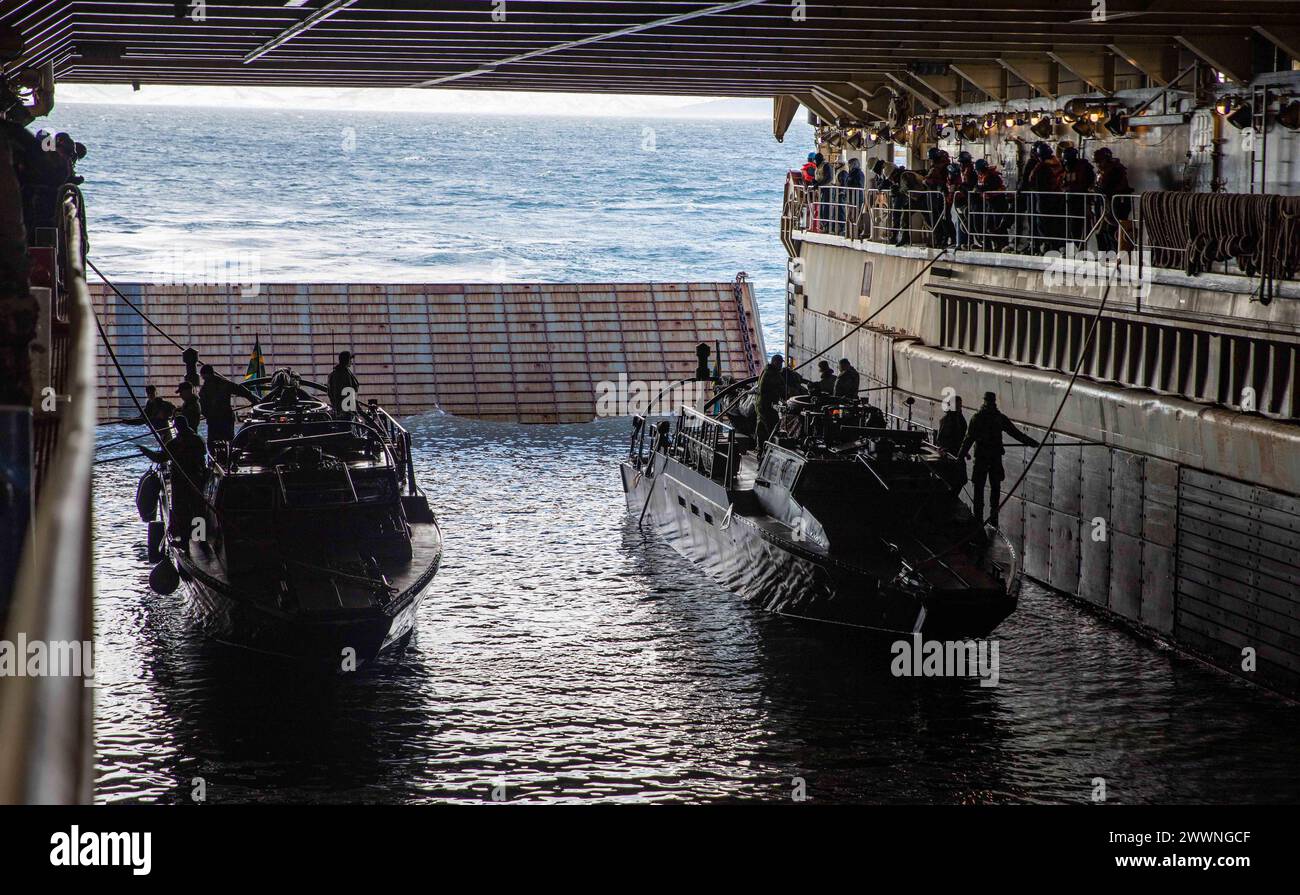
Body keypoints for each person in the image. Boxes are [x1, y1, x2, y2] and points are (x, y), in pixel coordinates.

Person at [959, 391, 1039, 527]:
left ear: (984, 401)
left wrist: (960, 456)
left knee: (979, 486)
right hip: (995, 458)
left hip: (982, 458)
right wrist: (1031, 442)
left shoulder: (977, 418)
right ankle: (993, 517)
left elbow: (969, 438)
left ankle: (978, 517)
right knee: (995, 487)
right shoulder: (999, 418)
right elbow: (1016, 433)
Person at [137, 415, 207, 546]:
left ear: (176, 427)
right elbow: (202, 456)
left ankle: (185, 541)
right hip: (197, 479)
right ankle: (201, 539)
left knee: (182, 512)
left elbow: (159, 458)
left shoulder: (174, 444)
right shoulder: (198, 440)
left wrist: (145, 451)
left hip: (181, 482)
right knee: (198, 510)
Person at [199, 364, 258, 444]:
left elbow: (203, 406)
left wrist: (206, 414)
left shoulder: (205, 389)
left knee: (212, 444)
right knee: (230, 442)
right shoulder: (224, 384)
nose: (203, 379)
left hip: (214, 420)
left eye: (203, 376)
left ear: (206, 374)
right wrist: (254, 401)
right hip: (225, 418)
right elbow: (242, 390)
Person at [1093, 148, 1132, 253]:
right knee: (1101, 231)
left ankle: (1116, 255)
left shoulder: (1116, 171)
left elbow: (1111, 188)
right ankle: (1105, 255)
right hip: (1103, 205)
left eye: (1099, 162)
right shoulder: (1100, 172)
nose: (1098, 165)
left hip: (1116, 206)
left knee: (1113, 231)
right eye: (1096, 162)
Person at [1061, 147, 1096, 247]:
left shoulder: (1084, 168)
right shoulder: (1069, 168)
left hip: (1082, 201)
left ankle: (1083, 248)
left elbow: (1089, 184)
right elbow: (1064, 183)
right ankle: (1078, 247)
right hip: (1071, 201)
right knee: (1073, 226)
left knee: (1083, 226)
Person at [754, 354, 789, 455]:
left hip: (760, 404)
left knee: (761, 427)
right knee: (773, 427)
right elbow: (781, 388)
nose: (781, 366)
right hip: (766, 405)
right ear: (775, 362)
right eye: (780, 363)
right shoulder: (771, 374)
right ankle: (771, 450)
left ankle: (760, 450)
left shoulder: (766, 370)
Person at [972, 158, 1010, 249]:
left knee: (998, 225)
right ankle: (994, 244)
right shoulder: (984, 176)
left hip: (999, 202)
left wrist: (979, 189)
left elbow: (988, 188)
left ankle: (1003, 245)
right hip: (990, 203)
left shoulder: (992, 177)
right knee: (989, 226)